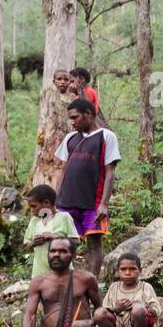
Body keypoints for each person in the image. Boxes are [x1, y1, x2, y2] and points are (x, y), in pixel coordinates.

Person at [54, 98, 119, 278]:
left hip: (93, 202)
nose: (72, 122)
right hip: (66, 201)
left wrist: (104, 203)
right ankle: (66, 283)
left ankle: (91, 284)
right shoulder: (70, 138)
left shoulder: (106, 137)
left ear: (88, 114)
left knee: (94, 243)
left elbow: (110, 171)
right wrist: (55, 198)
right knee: (65, 243)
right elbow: (63, 169)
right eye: (70, 118)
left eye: (75, 118)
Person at [94, 253, 162, 327]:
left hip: (139, 325)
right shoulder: (114, 287)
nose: (127, 273)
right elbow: (106, 309)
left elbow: (156, 311)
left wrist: (137, 308)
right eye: (123, 269)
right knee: (98, 314)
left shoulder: (145, 287)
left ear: (140, 270)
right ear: (118, 270)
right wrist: (117, 309)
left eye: (132, 269)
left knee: (137, 309)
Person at [22, 185, 78, 279]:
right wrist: (33, 243)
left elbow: (76, 241)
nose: (31, 210)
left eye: (34, 206)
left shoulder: (64, 217)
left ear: (47, 203)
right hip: (39, 274)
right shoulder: (34, 221)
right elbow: (26, 246)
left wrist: (55, 237)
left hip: (63, 273)